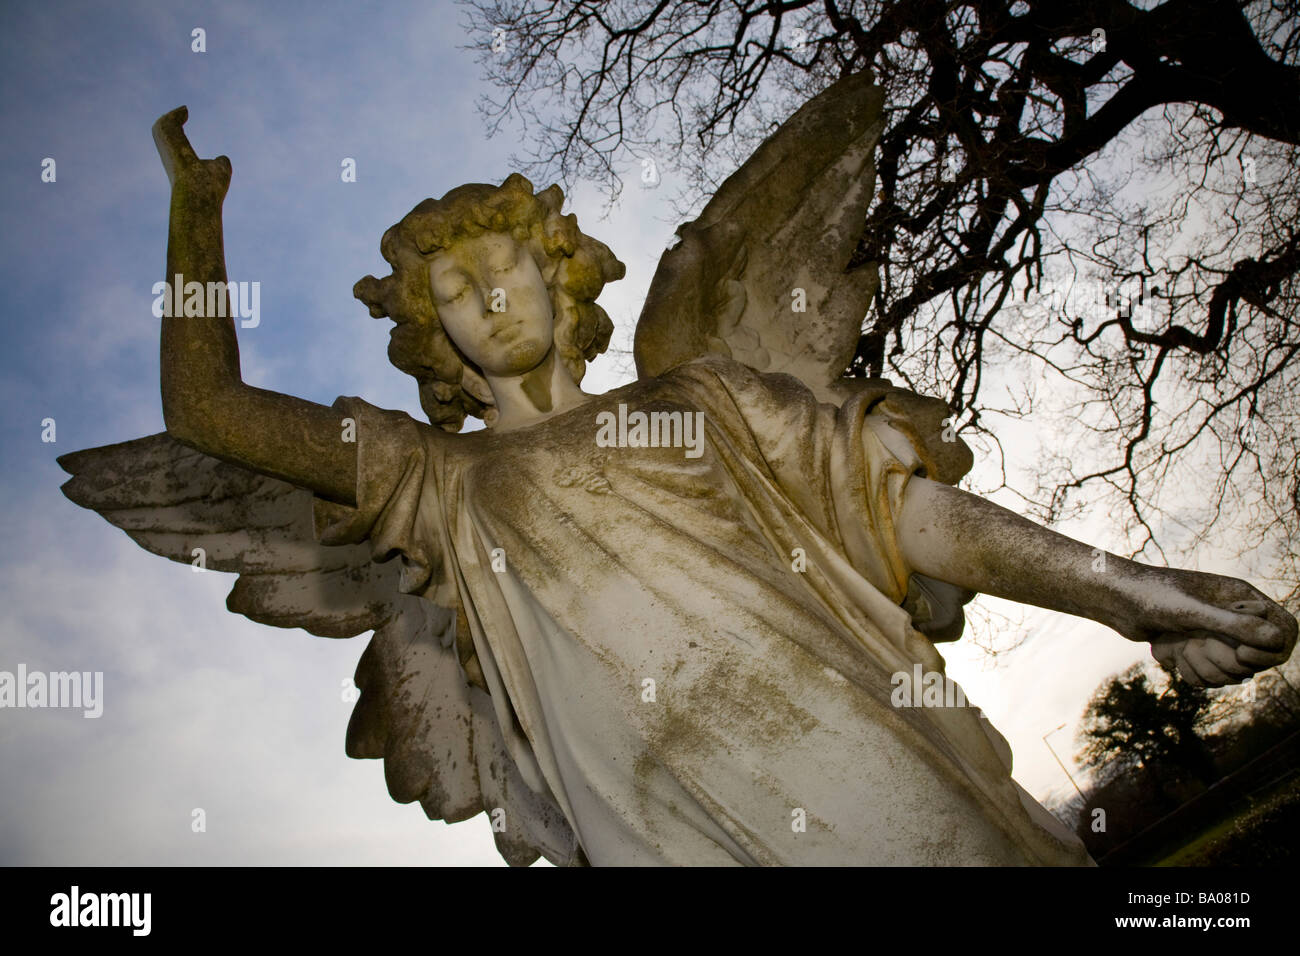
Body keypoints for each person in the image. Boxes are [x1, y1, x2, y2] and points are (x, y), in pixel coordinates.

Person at [150, 106, 1297, 865]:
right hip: (652, 806)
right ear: (432, 337)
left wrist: (1129, 589)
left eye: (502, 268)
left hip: (845, 732)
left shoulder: (701, 395)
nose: (486, 298)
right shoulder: (434, 480)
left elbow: (899, 513)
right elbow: (208, 413)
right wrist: (196, 218)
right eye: (454, 291)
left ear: (558, 278)